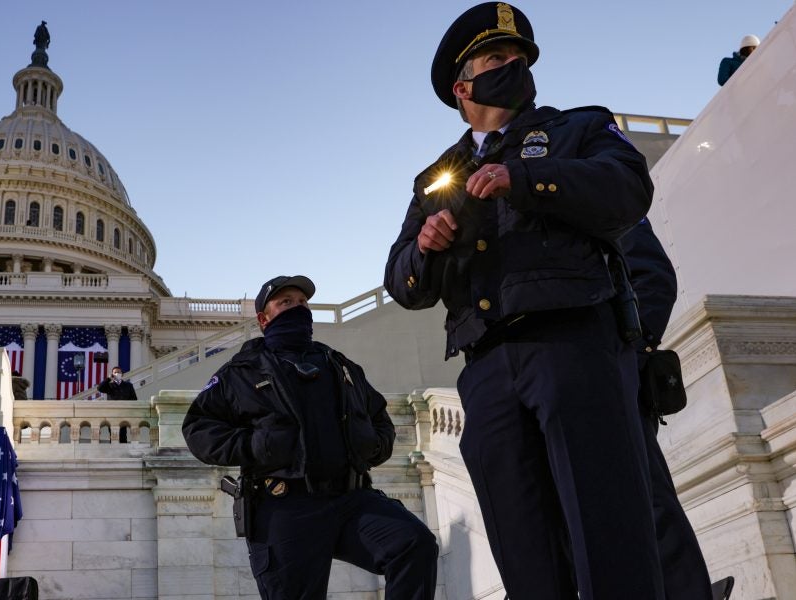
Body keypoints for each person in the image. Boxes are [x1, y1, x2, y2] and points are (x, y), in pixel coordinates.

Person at [384, 3, 662, 598]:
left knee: (608, 531)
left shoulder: (577, 128)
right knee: (523, 548)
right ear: (463, 86)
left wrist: (528, 181)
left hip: (573, 343)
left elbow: (630, 188)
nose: (513, 65)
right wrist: (426, 249)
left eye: (518, 58)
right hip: (485, 369)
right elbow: (401, 282)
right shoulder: (437, 177)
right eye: (496, 59)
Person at [182, 275, 438, 600]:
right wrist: (255, 446)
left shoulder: (340, 366)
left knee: (414, 544)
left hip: (351, 500)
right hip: (285, 507)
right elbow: (198, 428)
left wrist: (372, 446)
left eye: (302, 302)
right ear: (264, 318)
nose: (297, 308)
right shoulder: (241, 373)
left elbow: (378, 415)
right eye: (285, 303)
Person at [622, 219, 714, 599]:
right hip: (543, 395)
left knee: (650, 512)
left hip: (610, 391)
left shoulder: (595, 187)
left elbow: (653, 276)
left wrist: (620, 356)